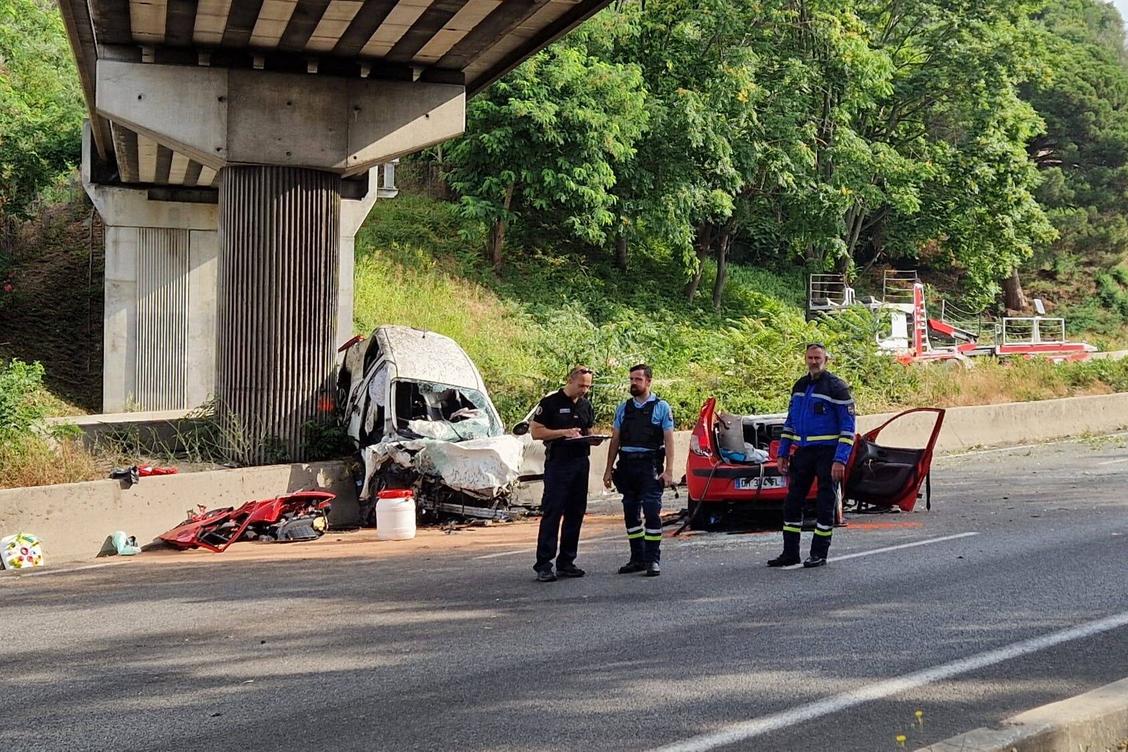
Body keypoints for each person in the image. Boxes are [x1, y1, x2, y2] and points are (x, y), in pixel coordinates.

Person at [768, 343, 856, 569]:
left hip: (828, 454)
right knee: (792, 502)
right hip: (804, 453)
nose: (814, 361)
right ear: (805, 359)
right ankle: (790, 553)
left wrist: (840, 459)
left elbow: (848, 427)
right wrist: (783, 453)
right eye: (810, 357)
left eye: (818, 357)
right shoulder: (799, 386)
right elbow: (790, 423)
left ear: (826, 359)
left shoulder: (837, 387)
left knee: (825, 503)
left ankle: (819, 553)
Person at [602, 364, 675, 577]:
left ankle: (652, 560)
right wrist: (608, 469)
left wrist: (669, 471)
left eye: (638, 379)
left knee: (652, 512)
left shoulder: (662, 407)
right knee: (630, 514)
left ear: (648, 381)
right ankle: (637, 559)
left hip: (649, 466)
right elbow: (615, 439)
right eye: (631, 379)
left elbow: (669, 441)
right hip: (626, 466)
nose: (633, 383)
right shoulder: (623, 408)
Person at [531, 366, 596, 582]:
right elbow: (536, 431)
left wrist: (593, 438)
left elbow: (587, 430)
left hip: (580, 462)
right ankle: (544, 564)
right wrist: (562, 433)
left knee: (575, 512)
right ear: (570, 380)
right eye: (581, 385)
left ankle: (567, 562)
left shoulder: (586, 405)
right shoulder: (550, 403)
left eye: (588, 386)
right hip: (558, 463)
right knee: (553, 511)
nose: (584, 390)